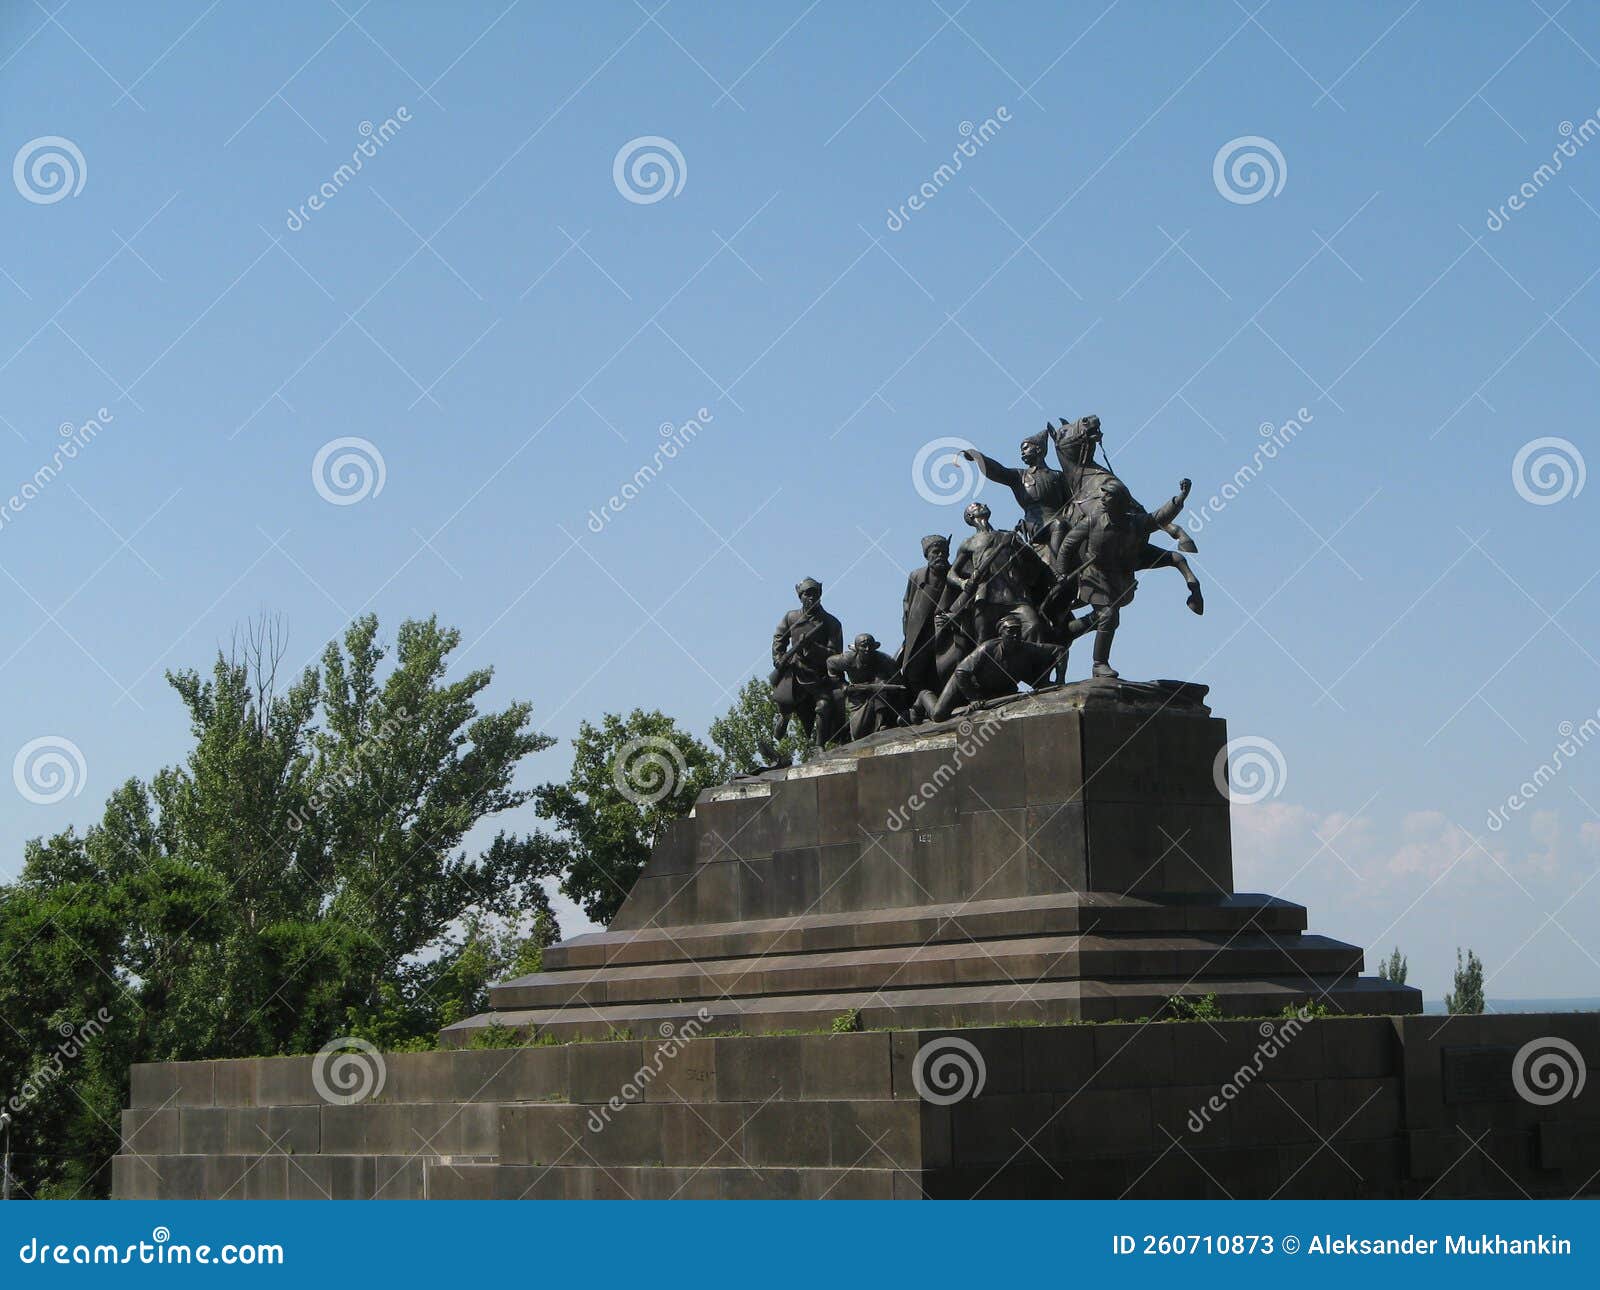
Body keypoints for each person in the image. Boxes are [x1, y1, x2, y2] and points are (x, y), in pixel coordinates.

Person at [1052, 476, 1199, 679]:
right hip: (1095, 576)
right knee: (1108, 616)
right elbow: (1069, 543)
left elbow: (1159, 517)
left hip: (1120, 577)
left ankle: (1068, 631)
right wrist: (1061, 571)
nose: (1102, 499)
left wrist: (1180, 497)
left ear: (1120, 501)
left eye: (1107, 496)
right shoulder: (1093, 520)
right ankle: (1099, 664)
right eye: (1102, 494)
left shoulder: (1134, 523)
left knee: (1106, 619)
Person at [915, 613, 1065, 723]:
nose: (1015, 635)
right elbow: (961, 672)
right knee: (938, 715)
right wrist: (974, 698)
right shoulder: (988, 648)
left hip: (995, 690)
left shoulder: (1026, 647)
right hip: (965, 684)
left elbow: (1060, 651)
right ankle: (923, 696)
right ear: (1001, 633)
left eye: (1018, 631)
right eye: (1010, 631)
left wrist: (1060, 679)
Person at [945, 500, 1053, 645]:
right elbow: (951, 573)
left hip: (1015, 596)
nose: (984, 505)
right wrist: (963, 583)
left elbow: (1034, 560)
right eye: (977, 506)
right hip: (985, 598)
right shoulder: (968, 543)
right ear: (970, 516)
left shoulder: (1009, 536)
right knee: (982, 639)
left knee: (1034, 625)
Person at [770, 577, 844, 746]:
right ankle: (785, 716)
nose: (811, 598)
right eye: (807, 594)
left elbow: (835, 655)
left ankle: (819, 746)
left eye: (815, 594)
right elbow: (779, 639)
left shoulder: (831, 623)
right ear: (800, 596)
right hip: (795, 670)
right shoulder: (791, 617)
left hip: (818, 676)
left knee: (824, 706)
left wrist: (813, 647)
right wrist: (778, 658)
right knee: (784, 700)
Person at [898, 534, 957, 699]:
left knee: (944, 670)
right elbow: (907, 604)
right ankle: (920, 704)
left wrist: (954, 616)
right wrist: (907, 633)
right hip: (919, 633)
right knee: (913, 672)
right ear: (927, 555)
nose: (940, 556)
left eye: (944, 552)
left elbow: (966, 603)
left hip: (946, 633)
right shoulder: (917, 576)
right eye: (936, 552)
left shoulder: (955, 575)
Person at [828, 633, 908, 740]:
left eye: (870, 646)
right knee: (858, 734)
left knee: (881, 684)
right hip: (858, 697)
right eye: (863, 646)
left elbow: (899, 683)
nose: (867, 649)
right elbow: (830, 663)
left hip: (883, 698)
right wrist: (843, 685)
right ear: (856, 648)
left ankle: (882, 722)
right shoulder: (847, 659)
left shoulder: (885, 660)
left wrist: (883, 685)